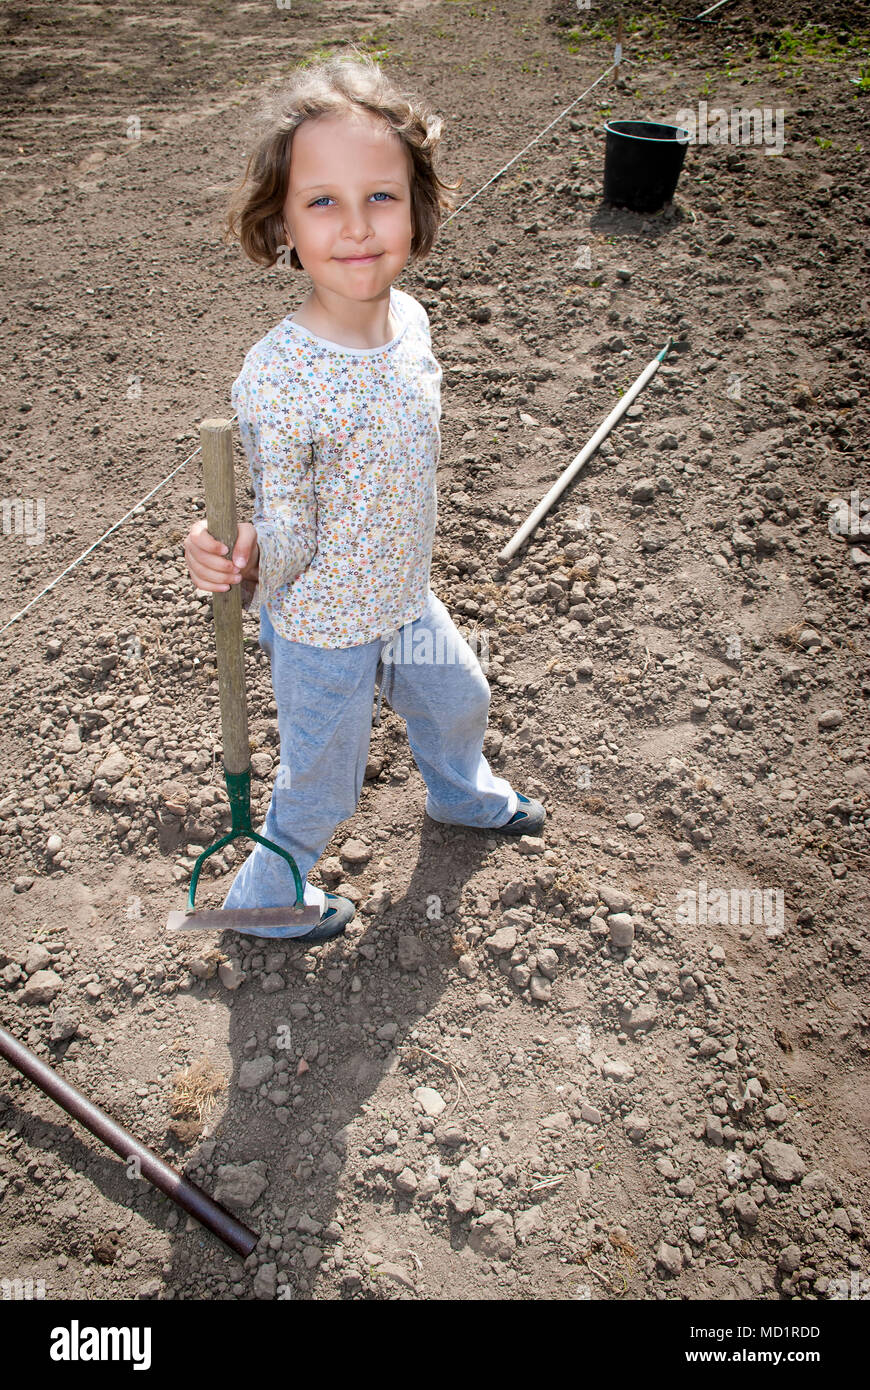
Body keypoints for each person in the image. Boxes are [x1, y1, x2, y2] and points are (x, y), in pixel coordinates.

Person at [183, 49, 545, 943]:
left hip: (403, 591)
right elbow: (290, 520)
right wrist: (251, 549)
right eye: (322, 201)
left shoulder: (413, 322)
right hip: (324, 622)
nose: (355, 225)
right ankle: (263, 899)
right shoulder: (278, 376)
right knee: (323, 783)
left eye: (380, 195)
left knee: (458, 698)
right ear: (282, 226)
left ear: (418, 209)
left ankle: (462, 795)